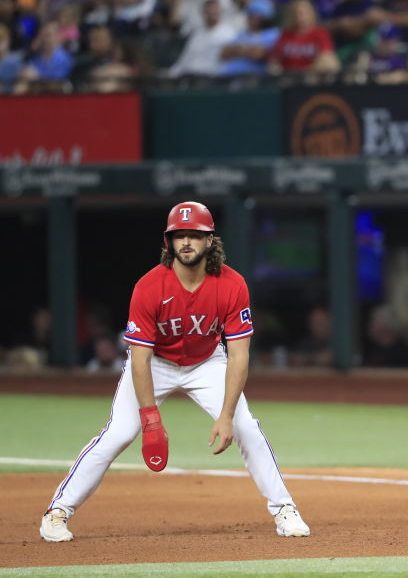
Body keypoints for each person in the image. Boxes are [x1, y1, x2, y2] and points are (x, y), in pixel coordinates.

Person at [40, 201, 310, 543]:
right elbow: (139, 358)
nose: (186, 242)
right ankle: (58, 512)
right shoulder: (149, 286)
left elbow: (239, 356)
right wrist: (150, 418)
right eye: (179, 235)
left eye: (194, 235)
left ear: (210, 241)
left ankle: (285, 510)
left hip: (207, 362)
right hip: (155, 363)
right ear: (168, 242)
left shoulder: (232, 284)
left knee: (246, 427)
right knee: (120, 432)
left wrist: (226, 415)